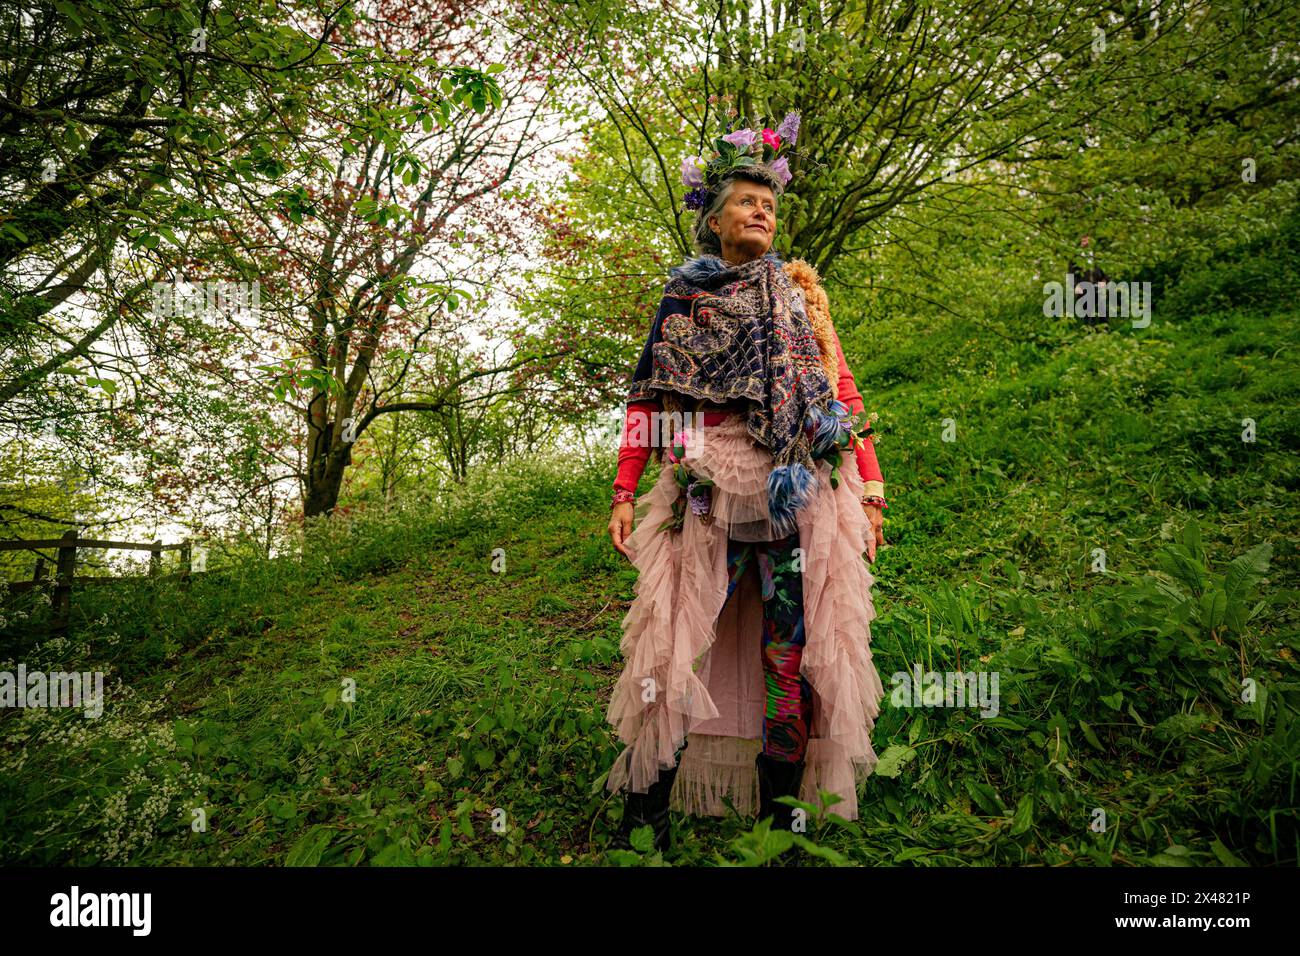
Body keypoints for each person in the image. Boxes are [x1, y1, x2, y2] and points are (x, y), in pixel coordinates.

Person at [602, 111, 888, 855]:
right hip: (705, 484)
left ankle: (783, 811)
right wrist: (625, 490)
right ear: (715, 219)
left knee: (788, 650)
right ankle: (647, 806)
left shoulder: (800, 297)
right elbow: (648, 398)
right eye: (746, 202)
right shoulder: (684, 300)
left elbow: (842, 393)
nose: (761, 211)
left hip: (798, 492)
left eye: (769, 203)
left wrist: (872, 488)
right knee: (675, 640)